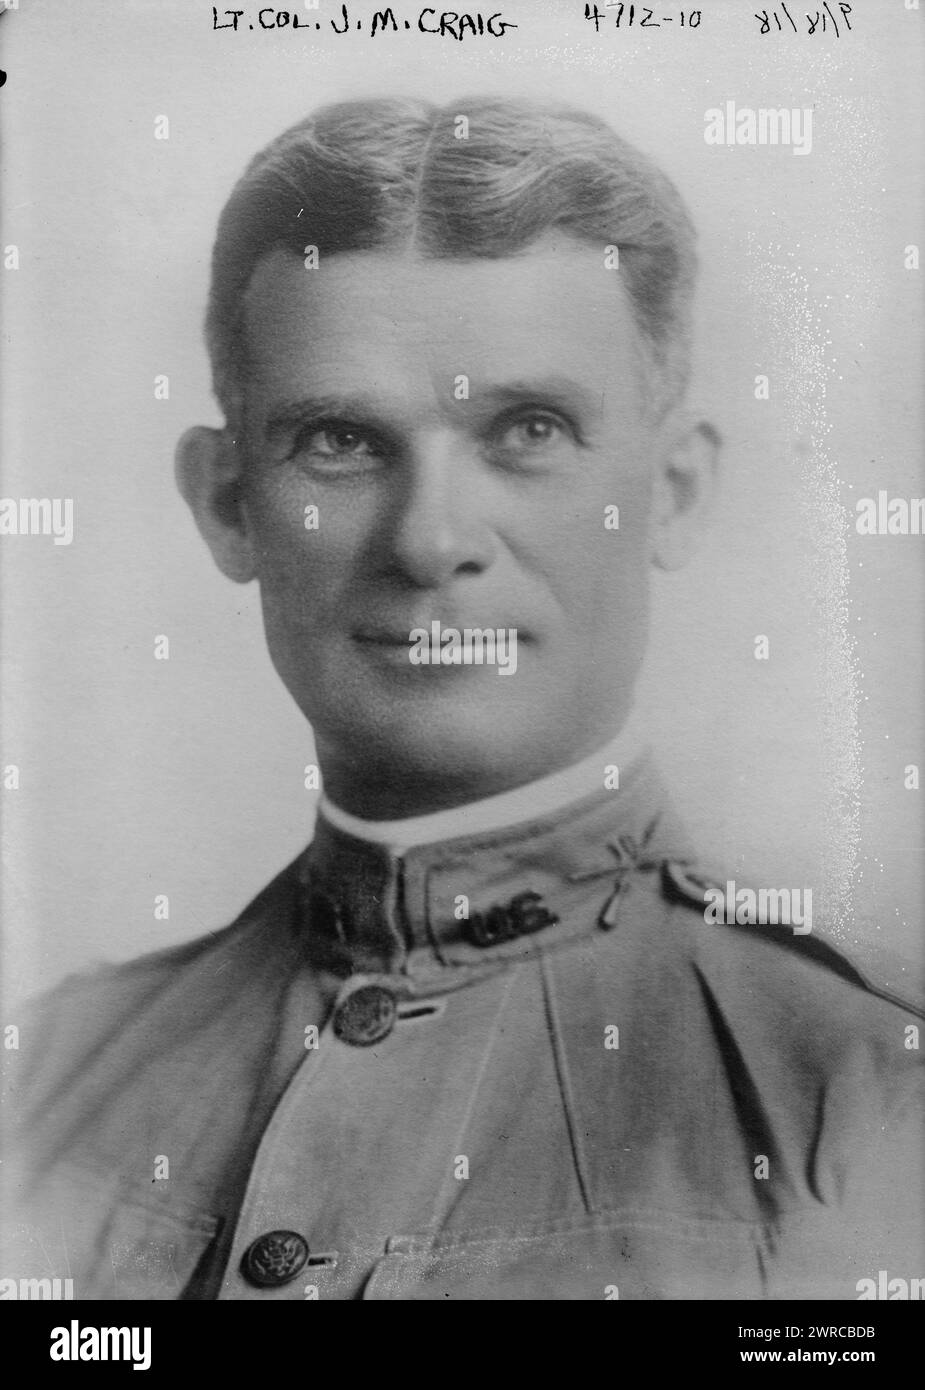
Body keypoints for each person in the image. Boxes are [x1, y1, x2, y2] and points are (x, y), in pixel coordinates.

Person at [2, 96, 922, 1301]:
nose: (431, 541)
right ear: (228, 504)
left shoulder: (861, 1109)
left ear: (675, 492)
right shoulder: (46, 1083)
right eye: (339, 440)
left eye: (526, 428)